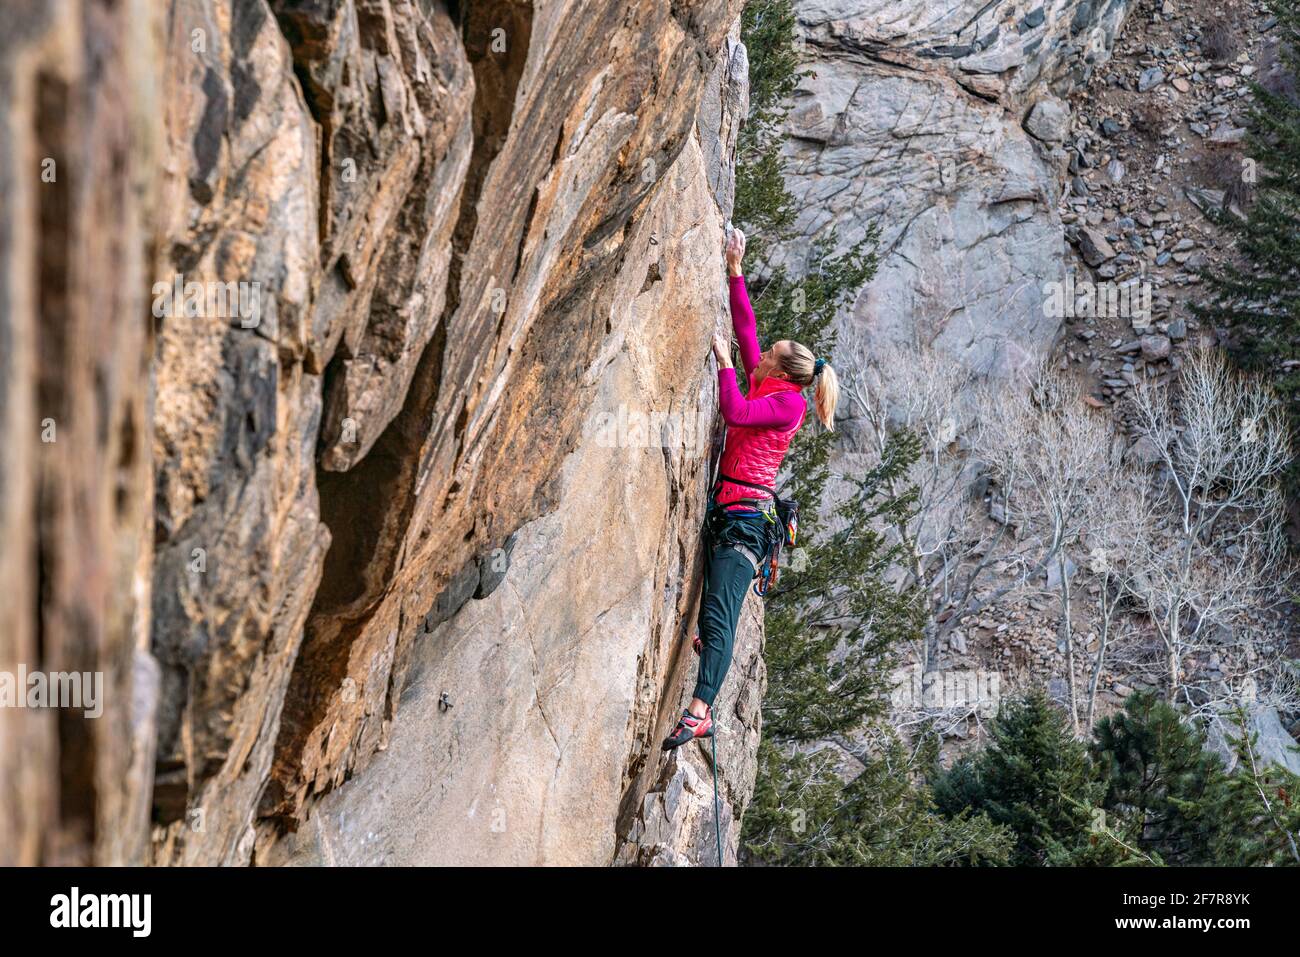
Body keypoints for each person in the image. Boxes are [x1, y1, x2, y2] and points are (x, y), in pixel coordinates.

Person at [663, 227, 840, 750]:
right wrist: (735, 266)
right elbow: (746, 330)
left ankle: (700, 713)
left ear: (782, 370)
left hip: (745, 521)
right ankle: (703, 689)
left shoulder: (789, 403)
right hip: (732, 510)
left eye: (770, 354)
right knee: (712, 615)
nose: (757, 356)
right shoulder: (773, 381)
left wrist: (722, 366)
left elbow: (735, 410)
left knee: (719, 618)